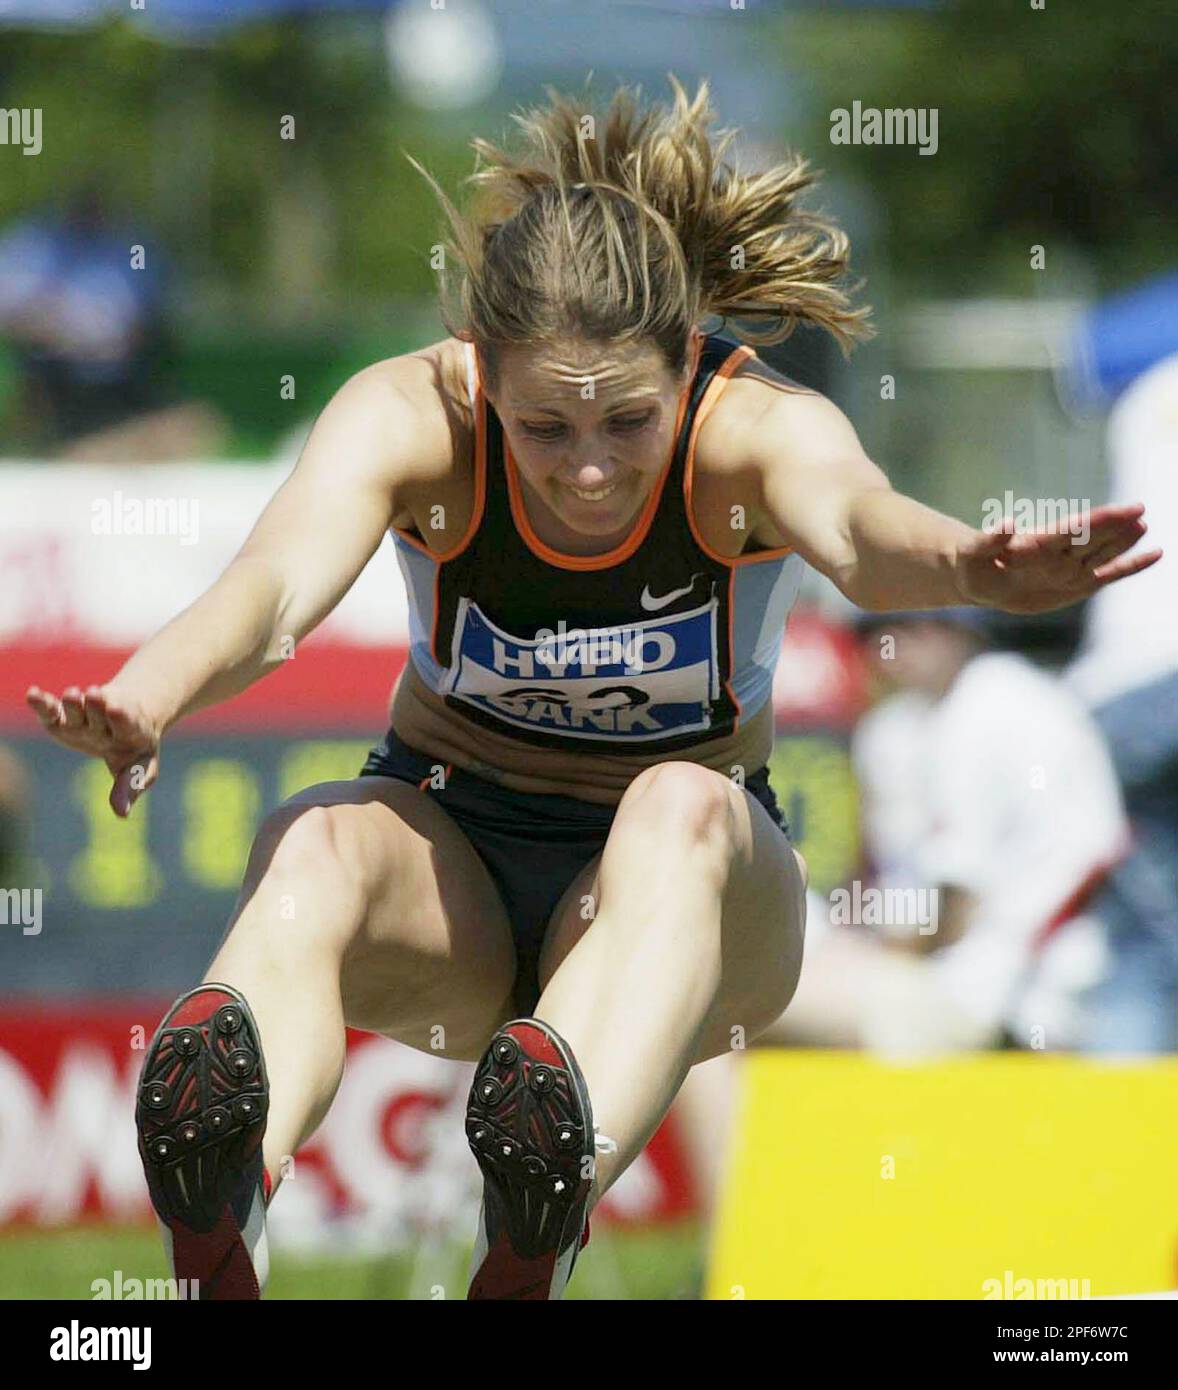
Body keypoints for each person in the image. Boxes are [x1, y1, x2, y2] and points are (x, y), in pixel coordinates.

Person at [24, 77, 1160, 1300]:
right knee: (314, 841)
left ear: (686, 363)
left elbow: (858, 526)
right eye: (542, 429)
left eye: (626, 421)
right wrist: (150, 693)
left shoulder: (755, 431)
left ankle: (539, 1203)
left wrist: (962, 564)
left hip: (687, 905)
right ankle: (221, 1202)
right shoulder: (410, 415)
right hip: (455, 878)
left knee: (675, 805)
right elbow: (272, 590)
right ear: (479, 372)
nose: (585, 470)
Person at [763, 610, 1130, 1055]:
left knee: (730, 1003)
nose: (890, 648)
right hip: (984, 982)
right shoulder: (917, 717)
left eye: (907, 630)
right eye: (876, 634)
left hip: (1005, 1002)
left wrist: (866, 955)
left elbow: (957, 907)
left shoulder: (990, 702)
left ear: (954, 630)